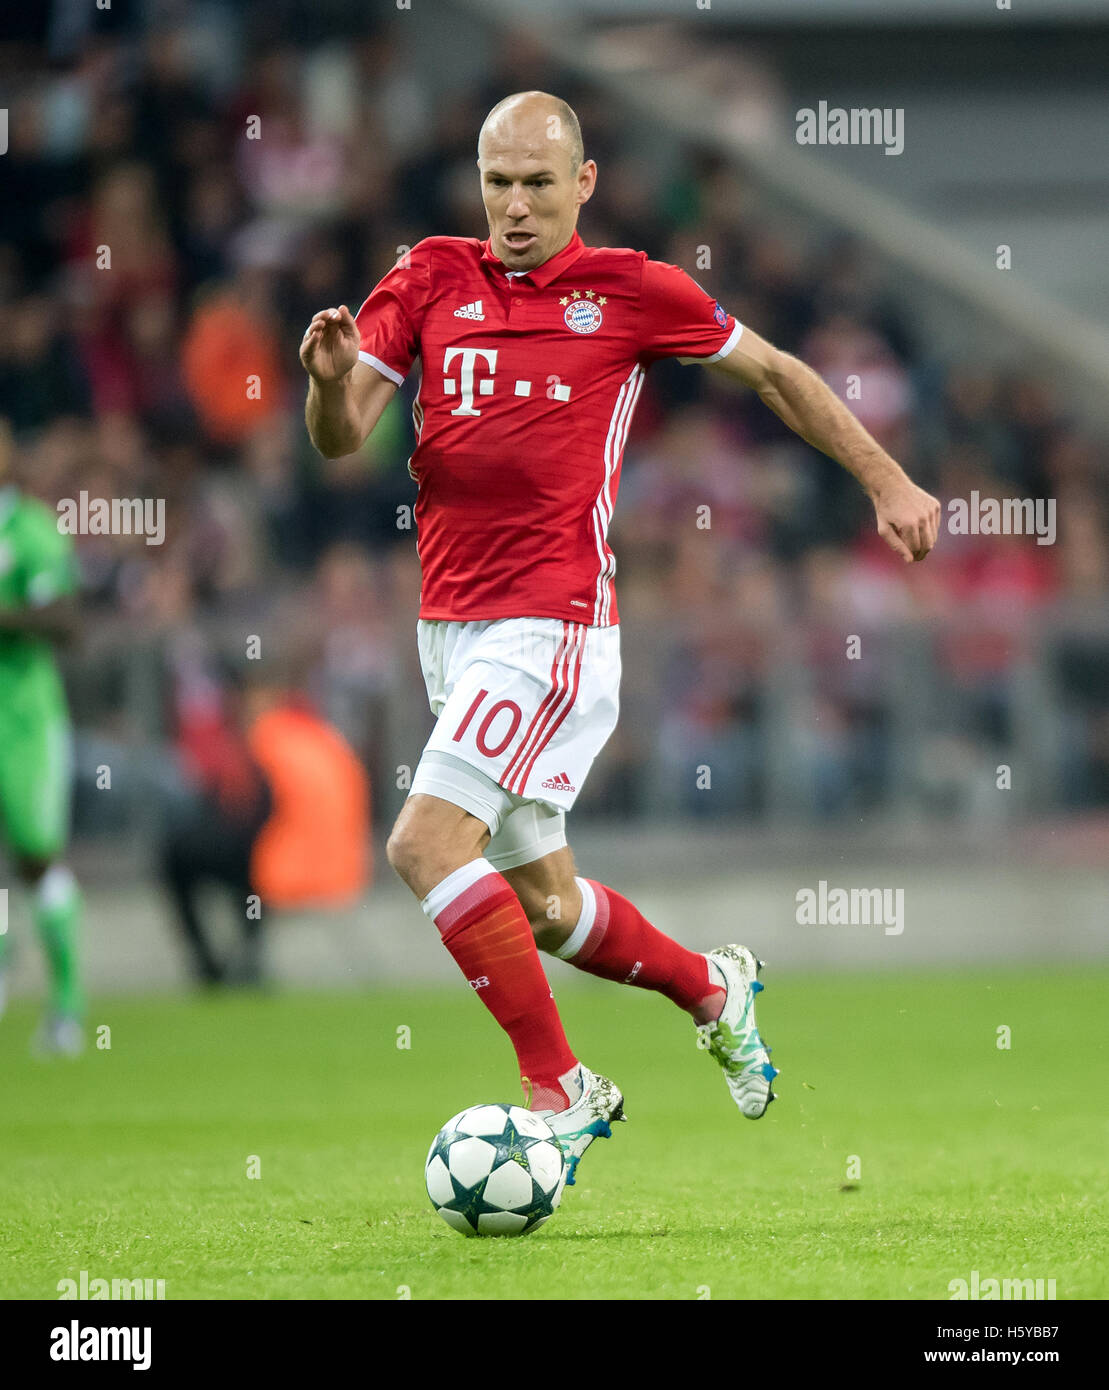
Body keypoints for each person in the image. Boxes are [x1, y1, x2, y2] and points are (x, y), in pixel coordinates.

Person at [301, 92, 940, 1184]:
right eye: (497, 181)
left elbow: (778, 373)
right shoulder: (425, 278)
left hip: (549, 626)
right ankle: (711, 987)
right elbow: (339, 437)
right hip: (449, 631)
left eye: (537, 183)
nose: (513, 205)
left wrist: (885, 477)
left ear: (582, 183)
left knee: (421, 846)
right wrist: (321, 383)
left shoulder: (632, 291)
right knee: (545, 908)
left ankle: (559, 1088)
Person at [0, 419, 85, 1055]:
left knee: (36, 855)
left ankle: (65, 1006)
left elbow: (65, 620)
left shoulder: (29, 529)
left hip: (25, 717)